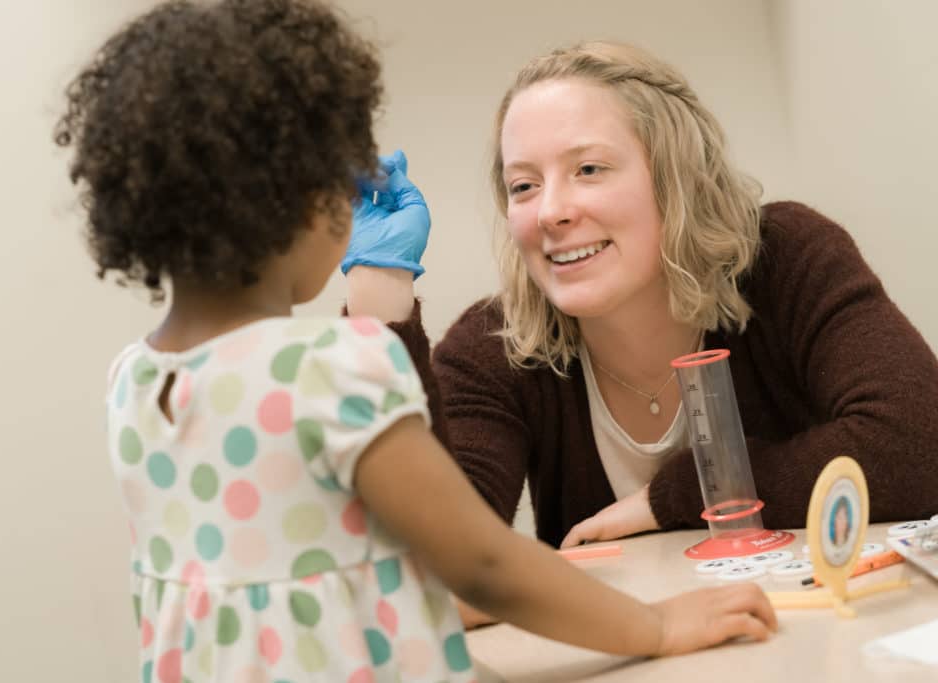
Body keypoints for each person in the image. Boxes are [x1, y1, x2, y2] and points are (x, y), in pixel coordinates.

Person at [56, 5, 776, 681]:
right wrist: (653, 625)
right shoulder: (333, 372)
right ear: (306, 200)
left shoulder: (135, 382)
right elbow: (480, 562)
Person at [343, 41, 938, 554]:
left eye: (590, 169)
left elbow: (918, 445)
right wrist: (379, 296)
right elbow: (430, 551)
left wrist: (675, 497)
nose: (551, 211)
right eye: (523, 185)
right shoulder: (496, 347)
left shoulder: (786, 258)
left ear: (675, 177)